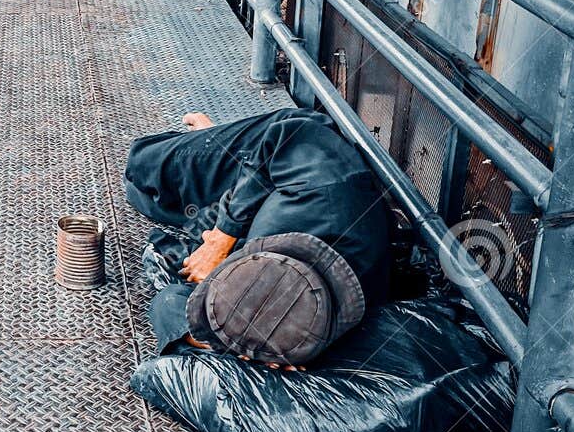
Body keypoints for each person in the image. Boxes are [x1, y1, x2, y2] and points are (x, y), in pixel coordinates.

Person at [124, 107, 390, 364]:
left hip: (248, 213)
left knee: (150, 202)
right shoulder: (329, 192)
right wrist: (221, 238)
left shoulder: (303, 330)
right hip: (273, 153)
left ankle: (211, 152)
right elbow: (293, 135)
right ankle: (216, 139)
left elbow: (169, 302)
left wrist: (224, 343)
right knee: (142, 161)